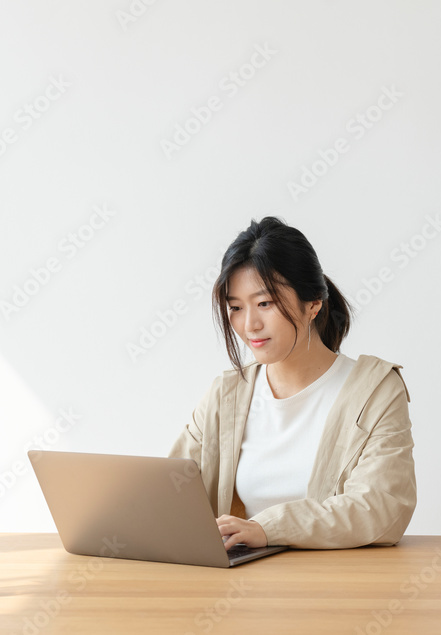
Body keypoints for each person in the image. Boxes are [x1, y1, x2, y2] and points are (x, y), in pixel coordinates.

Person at [169, 216, 416, 550]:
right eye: (237, 308)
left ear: (313, 304)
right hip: (244, 585)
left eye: (265, 303)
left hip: (336, 586)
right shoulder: (227, 395)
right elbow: (171, 491)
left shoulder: (375, 390)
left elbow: (382, 509)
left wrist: (268, 528)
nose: (250, 324)